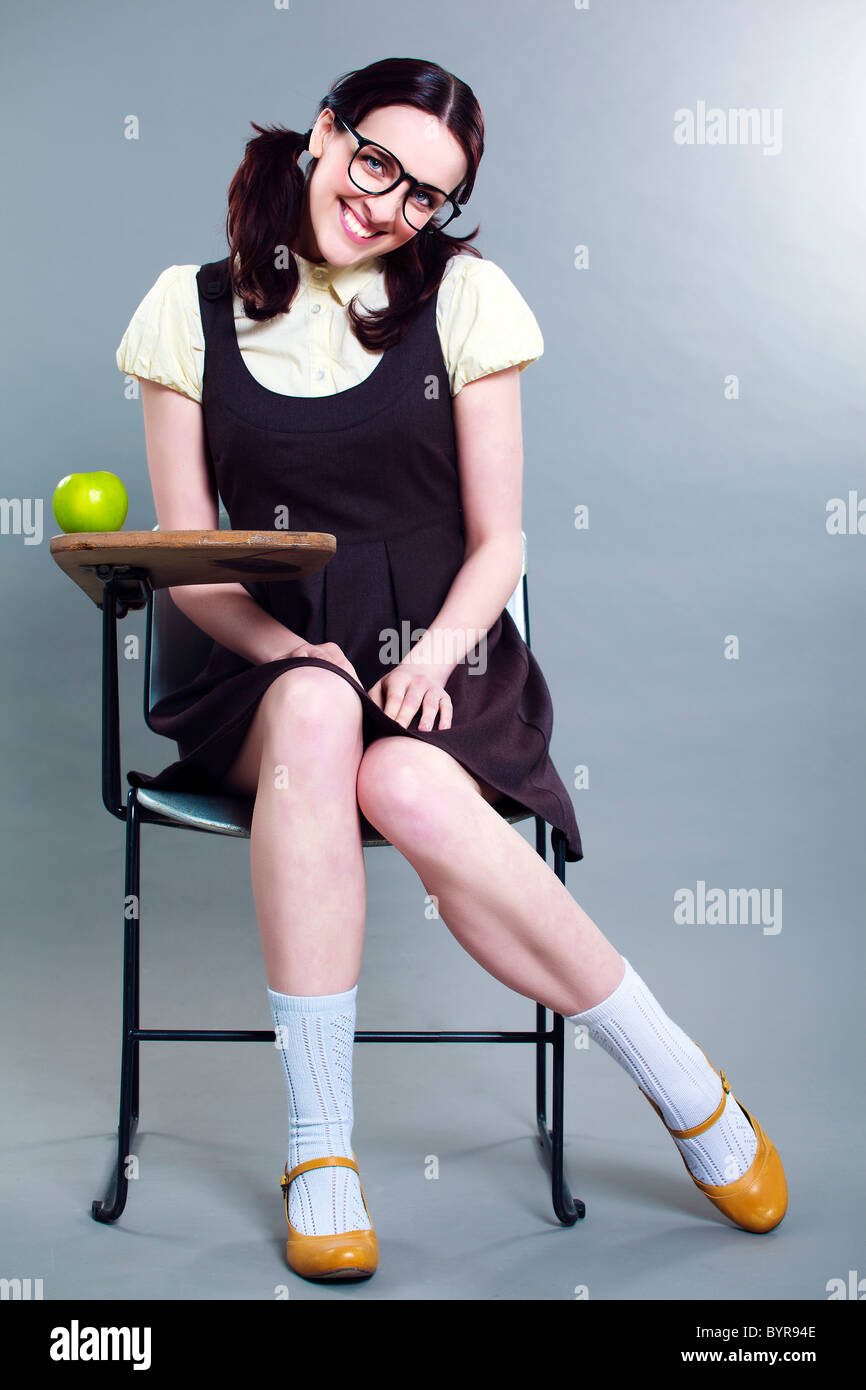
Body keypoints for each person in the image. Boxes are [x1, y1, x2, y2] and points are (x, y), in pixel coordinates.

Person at [115, 57, 787, 1283]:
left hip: (441, 647)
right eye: (375, 162)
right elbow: (190, 561)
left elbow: (500, 544)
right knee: (317, 708)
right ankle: (321, 1151)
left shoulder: (464, 300)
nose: (386, 204)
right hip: (257, 660)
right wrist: (291, 649)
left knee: (413, 791)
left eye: (424, 193)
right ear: (325, 134)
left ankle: (681, 1080)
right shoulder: (188, 306)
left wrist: (427, 657)